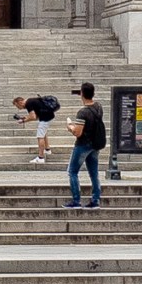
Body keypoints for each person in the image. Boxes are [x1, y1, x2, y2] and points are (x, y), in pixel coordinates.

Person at [63, 82, 104, 210]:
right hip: (95, 144)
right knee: (93, 173)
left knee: (72, 171)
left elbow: (77, 132)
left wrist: (69, 126)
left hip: (83, 145)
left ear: (82, 94)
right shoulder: (98, 107)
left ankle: (76, 200)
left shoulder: (83, 113)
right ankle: (95, 200)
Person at [13, 96, 56, 164]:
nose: (19, 108)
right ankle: (47, 149)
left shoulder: (28, 103)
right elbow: (36, 117)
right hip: (49, 116)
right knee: (43, 132)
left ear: (20, 102)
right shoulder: (31, 101)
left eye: (17, 106)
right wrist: (25, 118)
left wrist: (23, 121)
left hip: (46, 118)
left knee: (40, 136)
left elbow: (33, 117)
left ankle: (40, 158)